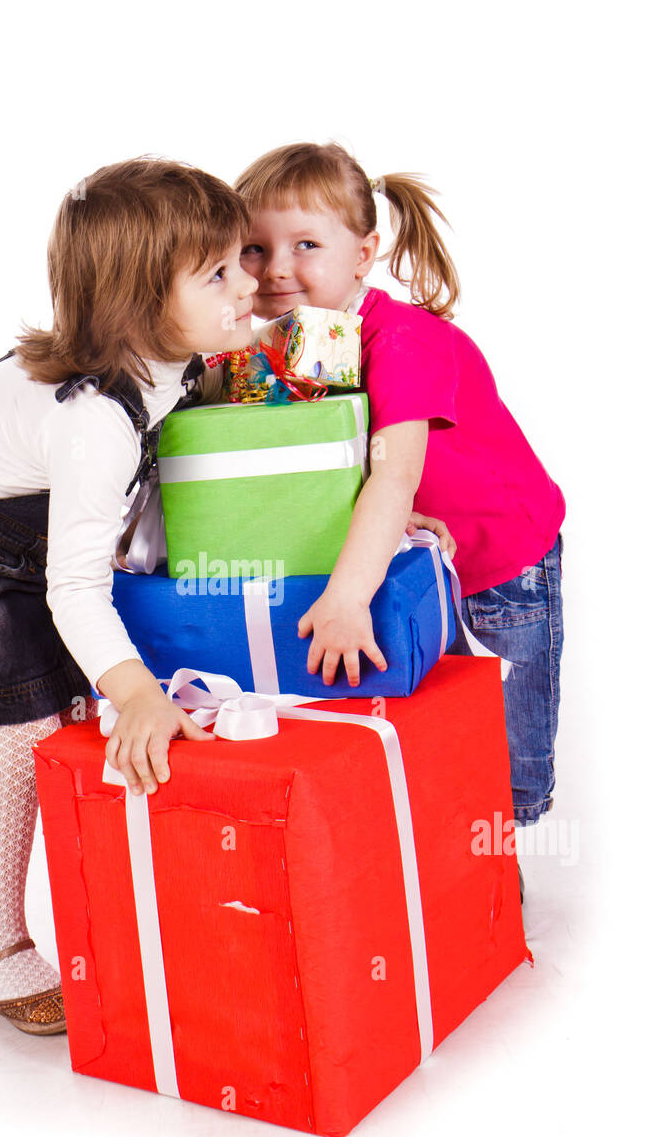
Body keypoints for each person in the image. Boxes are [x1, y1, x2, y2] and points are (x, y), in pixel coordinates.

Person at [0, 158, 258, 1032]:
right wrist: (139, 693)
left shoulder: (163, 359)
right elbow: (76, 589)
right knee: (28, 733)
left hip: (14, 526)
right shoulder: (92, 421)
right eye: (219, 273)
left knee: (67, 704)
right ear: (145, 303)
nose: (248, 283)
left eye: (242, 261)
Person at [234, 142, 565, 836]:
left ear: (363, 253)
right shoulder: (294, 344)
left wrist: (348, 595)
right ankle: (447, 845)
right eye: (256, 249)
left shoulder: (403, 340)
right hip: (414, 544)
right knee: (433, 711)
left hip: (497, 552)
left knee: (506, 737)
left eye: (306, 244)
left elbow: (395, 466)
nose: (279, 268)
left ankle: (500, 856)